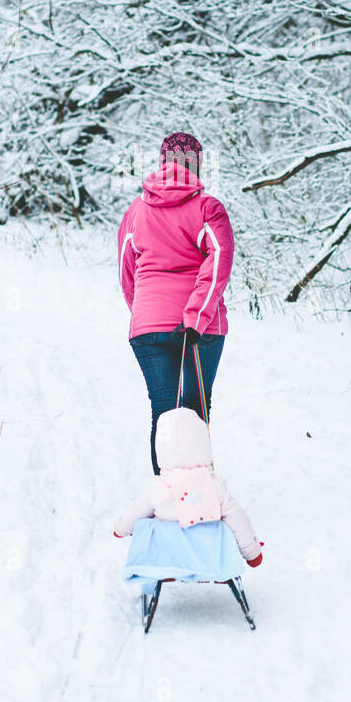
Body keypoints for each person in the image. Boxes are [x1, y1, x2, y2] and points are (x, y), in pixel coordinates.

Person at [118, 132, 234, 473]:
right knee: (196, 409)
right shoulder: (208, 208)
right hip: (201, 326)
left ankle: (167, 494)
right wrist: (196, 316)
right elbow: (220, 260)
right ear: (197, 164)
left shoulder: (135, 212)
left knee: (164, 411)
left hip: (148, 326)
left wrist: (145, 314)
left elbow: (127, 273)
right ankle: (199, 491)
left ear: (162, 162)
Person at [113, 406, 262, 566]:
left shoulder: (158, 486)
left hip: (168, 558)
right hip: (209, 557)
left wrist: (120, 529)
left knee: (150, 524)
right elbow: (237, 518)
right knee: (226, 520)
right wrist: (251, 552)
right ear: (204, 444)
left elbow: (137, 511)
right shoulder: (214, 485)